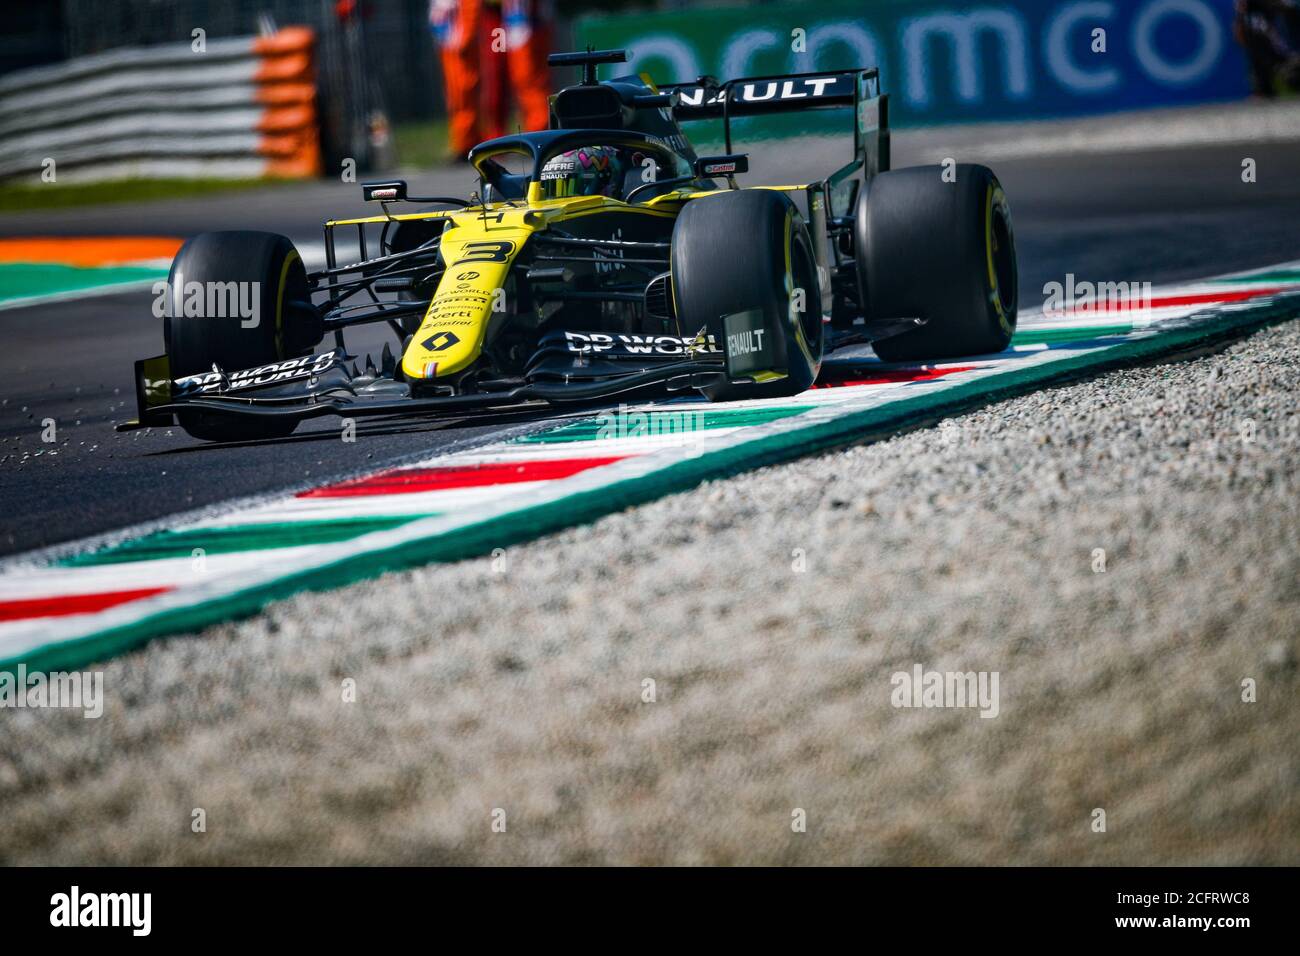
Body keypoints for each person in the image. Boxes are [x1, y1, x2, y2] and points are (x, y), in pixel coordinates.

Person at [430, 0, 554, 161]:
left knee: (528, 74)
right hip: (490, 15)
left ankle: (540, 135)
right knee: (493, 78)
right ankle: (493, 140)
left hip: (517, 13)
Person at [1234, 0, 1300, 97]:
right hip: (1271, 63)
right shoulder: (1250, 19)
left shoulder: (1287, 10)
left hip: (1286, 58)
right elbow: (1240, 37)